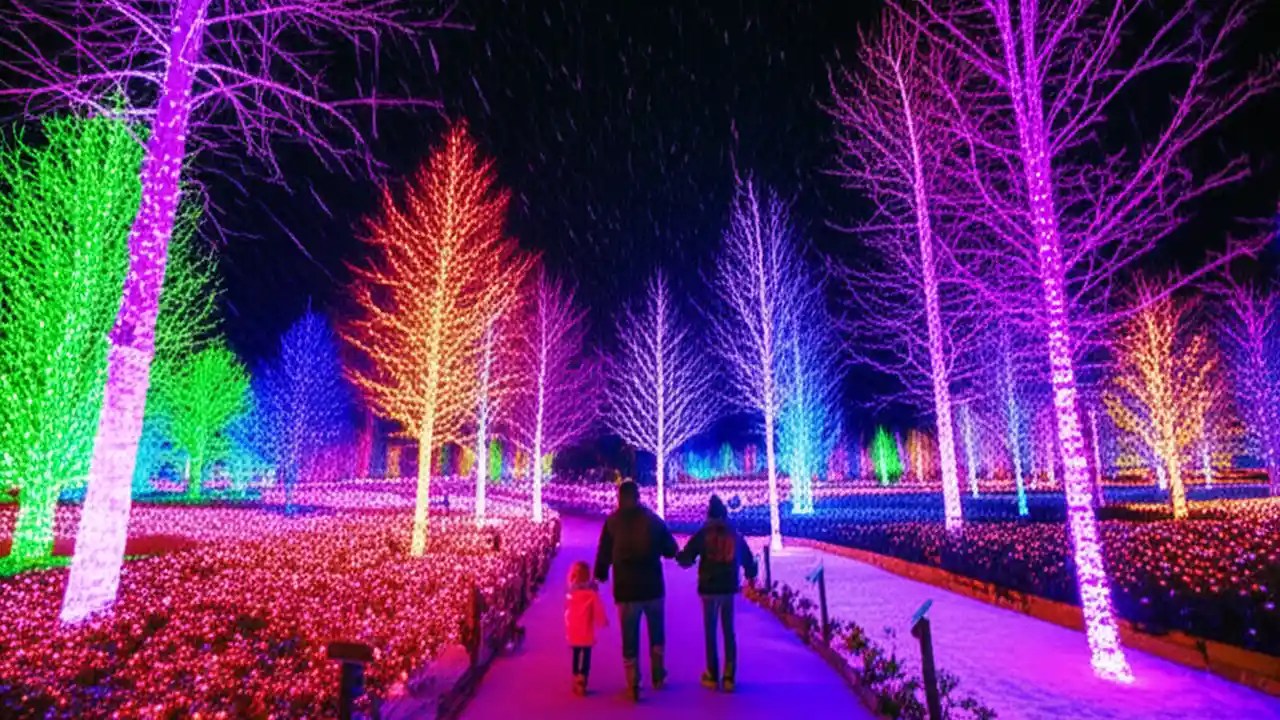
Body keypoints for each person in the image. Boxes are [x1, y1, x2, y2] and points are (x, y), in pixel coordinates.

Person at [594, 480, 678, 701]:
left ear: (619, 497)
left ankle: (633, 683)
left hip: (626, 588)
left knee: (629, 636)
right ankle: (658, 675)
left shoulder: (612, 522)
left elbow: (603, 553)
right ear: (638, 496)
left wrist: (601, 573)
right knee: (656, 632)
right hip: (652, 586)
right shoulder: (652, 520)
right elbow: (671, 549)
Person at [677, 494, 758, 692]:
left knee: (711, 632)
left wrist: (681, 557)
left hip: (709, 588)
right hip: (729, 588)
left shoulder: (703, 534)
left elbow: (686, 558)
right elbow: (748, 560)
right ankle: (729, 676)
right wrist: (750, 574)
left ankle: (712, 674)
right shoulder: (734, 535)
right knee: (729, 632)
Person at [564, 560, 609, 696]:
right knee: (586, 655)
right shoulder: (591, 594)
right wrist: (602, 621)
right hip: (586, 630)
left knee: (576, 654)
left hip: (574, 630)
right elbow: (598, 610)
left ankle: (575, 676)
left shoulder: (571, 593)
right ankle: (583, 677)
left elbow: (567, 611)